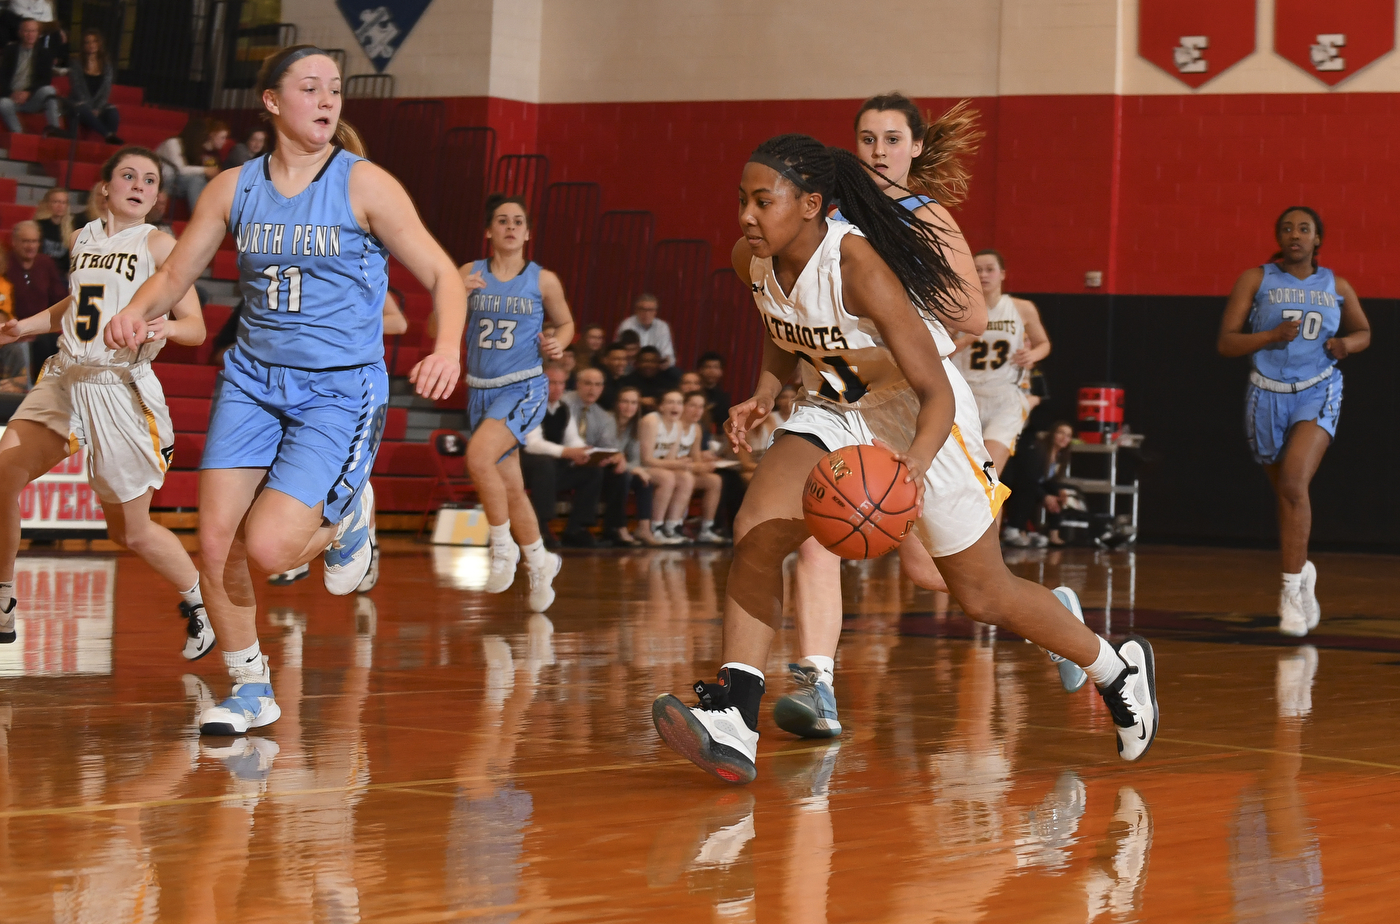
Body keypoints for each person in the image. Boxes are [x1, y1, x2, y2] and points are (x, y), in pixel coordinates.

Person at [651, 133, 1159, 786]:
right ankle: (734, 715)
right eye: (741, 201)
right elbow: (782, 328)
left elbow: (936, 390)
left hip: (923, 420)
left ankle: (1114, 670)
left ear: (810, 204)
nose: (747, 215)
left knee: (983, 594)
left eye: (762, 201)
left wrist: (914, 465)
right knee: (755, 531)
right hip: (835, 409)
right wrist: (764, 392)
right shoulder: (751, 258)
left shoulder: (858, 266)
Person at [104, 45, 467, 736]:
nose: (327, 99)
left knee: (268, 550)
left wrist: (446, 348)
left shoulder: (365, 185)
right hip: (252, 380)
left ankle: (347, 510)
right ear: (271, 102)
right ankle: (250, 689)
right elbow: (176, 274)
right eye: (310, 87)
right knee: (214, 543)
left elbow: (444, 275)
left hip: (338, 389)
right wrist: (136, 308)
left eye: (334, 88)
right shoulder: (233, 186)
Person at [769, 95, 1020, 739]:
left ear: (914, 148)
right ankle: (817, 683)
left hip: (908, 400)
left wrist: (898, 329)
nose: (879, 150)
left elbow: (968, 316)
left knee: (930, 572)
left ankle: (1044, 615)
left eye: (891, 138)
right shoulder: (827, 215)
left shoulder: (925, 218)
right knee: (814, 532)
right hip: (836, 397)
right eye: (867, 138)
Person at [0, 147, 212, 657]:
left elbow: (196, 328)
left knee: (130, 532)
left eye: (150, 180)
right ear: (105, 188)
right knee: (4, 473)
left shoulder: (161, 246)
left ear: (158, 197)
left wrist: (161, 324)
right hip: (67, 377)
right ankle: (4, 595)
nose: (139, 185)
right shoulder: (83, 238)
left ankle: (202, 602)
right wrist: (24, 326)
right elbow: (82, 302)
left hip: (121, 389)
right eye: (128, 175)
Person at [1217, 206, 1370, 637]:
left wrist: (1347, 345)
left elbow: (1365, 331)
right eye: (1287, 228)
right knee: (1286, 498)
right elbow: (1227, 343)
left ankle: (1289, 592)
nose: (1295, 234)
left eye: (1304, 228)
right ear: (1279, 238)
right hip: (1266, 393)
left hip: (1318, 389)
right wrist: (1269, 336)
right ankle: (1303, 574)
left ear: (1317, 238)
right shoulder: (1256, 278)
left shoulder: (1336, 284)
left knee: (1292, 485)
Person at [461, 193, 572, 609]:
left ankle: (501, 548)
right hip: (480, 390)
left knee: (477, 459)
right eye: (502, 221)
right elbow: (440, 322)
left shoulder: (543, 280)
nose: (510, 227)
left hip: (523, 386)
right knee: (510, 486)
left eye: (518, 221)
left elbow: (565, 322)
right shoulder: (469, 273)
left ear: (527, 233)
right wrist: (454, 293)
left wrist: (559, 343)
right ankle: (541, 561)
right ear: (489, 230)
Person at [265, 291, 407, 588]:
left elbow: (398, 322)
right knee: (285, 472)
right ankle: (302, 548)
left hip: (343, 381)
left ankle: (364, 537)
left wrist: (335, 327)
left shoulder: (356, 270)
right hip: (284, 376)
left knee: (333, 474)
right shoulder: (276, 271)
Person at [951, 249, 1050, 525]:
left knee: (988, 476)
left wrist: (1033, 355)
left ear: (1002, 274)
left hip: (1004, 399)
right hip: (964, 398)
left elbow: (1044, 343)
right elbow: (938, 350)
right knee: (961, 479)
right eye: (978, 269)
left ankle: (990, 559)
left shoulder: (1021, 308)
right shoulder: (958, 306)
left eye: (989, 269)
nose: (983, 275)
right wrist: (964, 341)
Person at [520, 364, 607, 548]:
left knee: (592, 471)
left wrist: (590, 454)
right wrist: (567, 452)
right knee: (544, 464)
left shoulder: (563, 408)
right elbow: (532, 444)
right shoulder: (529, 405)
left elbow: (573, 440)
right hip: (524, 468)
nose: (557, 388)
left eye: (561, 383)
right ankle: (542, 527)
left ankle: (577, 528)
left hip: (552, 469)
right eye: (552, 383)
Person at [636, 389, 699, 545]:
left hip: (658, 467)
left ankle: (672, 526)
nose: (675, 406)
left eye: (679, 402)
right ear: (661, 407)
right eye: (670, 402)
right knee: (668, 477)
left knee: (686, 478)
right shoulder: (651, 421)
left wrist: (681, 465)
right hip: (637, 466)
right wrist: (678, 464)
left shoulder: (677, 425)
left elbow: (670, 460)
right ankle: (655, 527)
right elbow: (646, 459)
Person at [6, 219, 65, 379]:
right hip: (13, 327)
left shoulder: (46, 263)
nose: (30, 246)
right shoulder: (5, 263)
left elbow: (59, 297)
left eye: (34, 241)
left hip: (42, 328)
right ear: (14, 241)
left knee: (54, 342)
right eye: (26, 241)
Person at [602, 385, 651, 546]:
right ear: (617, 404)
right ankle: (620, 528)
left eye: (634, 403)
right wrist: (634, 468)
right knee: (624, 477)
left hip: (621, 468)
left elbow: (635, 460)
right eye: (625, 402)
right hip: (602, 467)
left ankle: (644, 528)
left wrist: (635, 469)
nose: (630, 407)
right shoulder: (607, 420)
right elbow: (610, 453)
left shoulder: (635, 426)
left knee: (644, 481)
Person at [680, 390, 727, 544]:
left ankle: (706, 528)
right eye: (692, 405)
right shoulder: (675, 424)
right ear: (683, 406)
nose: (697, 410)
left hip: (685, 468)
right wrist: (698, 466)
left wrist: (706, 462)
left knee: (714, 480)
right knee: (686, 478)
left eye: (701, 407)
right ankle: (675, 525)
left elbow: (695, 458)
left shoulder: (696, 428)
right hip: (673, 469)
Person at [156, 116, 228, 211]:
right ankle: (200, 216)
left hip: (178, 183)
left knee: (206, 181)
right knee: (196, 180)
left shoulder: (192, 148)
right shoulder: (173, 143)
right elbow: (181, 170)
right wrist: (206, 170)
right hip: (163, 181)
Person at [0, 19, 59, 136]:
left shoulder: (44, 53)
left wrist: (28, 93)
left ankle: (54, 131)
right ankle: (19, 135)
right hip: (12, 98)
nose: (30, 34)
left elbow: (45, 80)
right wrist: (12, 93)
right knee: (3, 103)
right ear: (20, 33)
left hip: (32, 98)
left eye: (33, 31)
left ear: (38, 33)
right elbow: (2, 77)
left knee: (49, 90)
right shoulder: (10, 51)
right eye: (27, 31)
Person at [66, 28, 121, 144]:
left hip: (98, 105)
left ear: (99, 43)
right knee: (81, 108)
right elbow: (77, 88)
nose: (91, 45)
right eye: (88, 42)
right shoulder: (76, 63)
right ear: (83, 45)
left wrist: (98, 108)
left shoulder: (106, 65)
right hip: (79, 103)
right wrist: (90, 108)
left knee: (113, 111)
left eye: (94, 41)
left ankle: (110, 146)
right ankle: (107, 135)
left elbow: (106, 90)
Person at [616, 292, 675, 368]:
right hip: (632, 366)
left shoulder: (662, 326)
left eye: (650, 310)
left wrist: (667, 361)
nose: (647, 313)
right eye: (643, 309)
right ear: (636, 310)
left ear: (655, 312)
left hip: (655, 367)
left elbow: (668, 354)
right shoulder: (627, 325)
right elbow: (624, 353)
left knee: (676, 374)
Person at [619, 345, 678, 412]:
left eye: (653, 361)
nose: (649, 365)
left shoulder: (669, 380)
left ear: (659, 363)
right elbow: (620, 399)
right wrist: (640, 400)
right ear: (637, 363)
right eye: (645, 361)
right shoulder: (627, 381)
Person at [32, 186, 71, 279]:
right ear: (47, 204)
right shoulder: (38, 226)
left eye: (63, 202)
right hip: (39, 273)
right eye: (56, 202)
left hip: (61, 276)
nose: (60, 206)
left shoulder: (70, 229)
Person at [696, 351, 731, 429]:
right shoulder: (694, 393)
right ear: (700, 370)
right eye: (708, 367)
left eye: (716, 367)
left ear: (721, 371)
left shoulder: (723, 397)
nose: (712, 371)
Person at [596, 340, 629, 410]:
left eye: (624, 359)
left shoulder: (624, 381)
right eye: (617, 359)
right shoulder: (598, 381)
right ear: (605, 360)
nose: (622, 363)